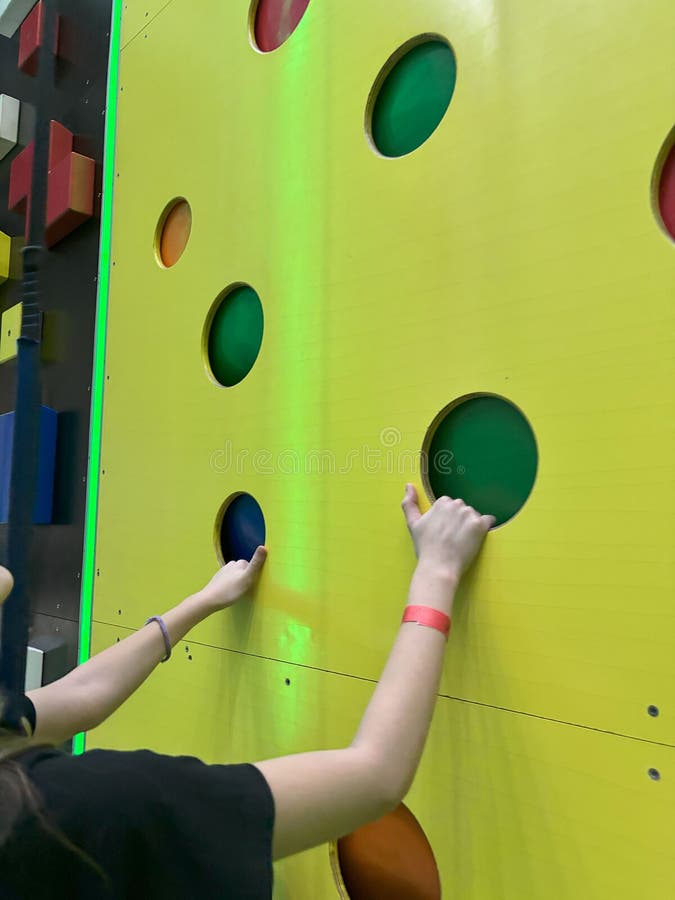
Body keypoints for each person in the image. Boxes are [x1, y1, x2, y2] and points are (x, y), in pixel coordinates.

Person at [0, 485, 494, 898]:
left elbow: (85, 695)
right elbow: (374, 777)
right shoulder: (82, 811)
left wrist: (201, 601)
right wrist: (436, 572)